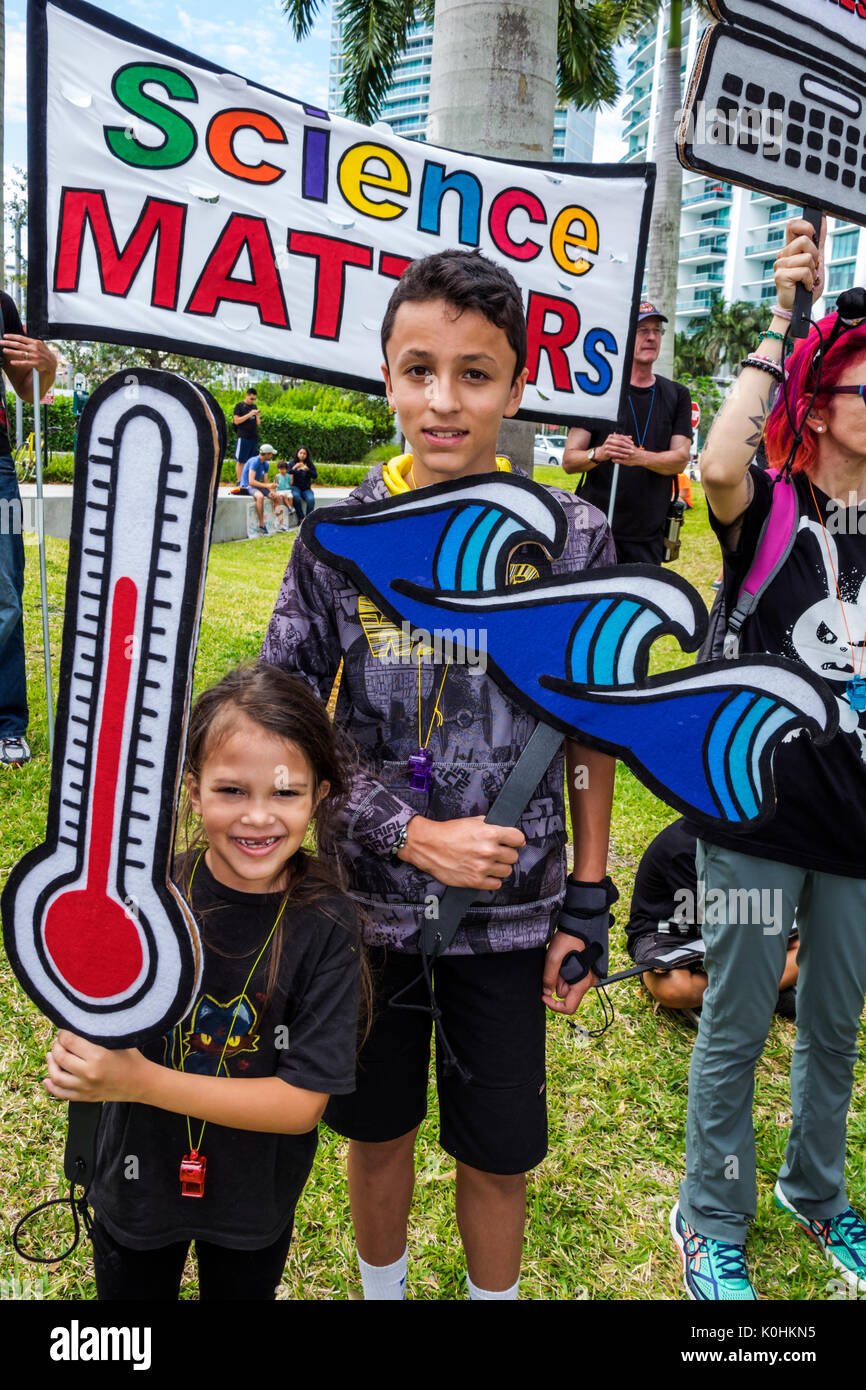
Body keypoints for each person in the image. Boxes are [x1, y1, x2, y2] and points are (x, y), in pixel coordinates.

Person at [262, 249, 617, 1301]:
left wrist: (588, 895)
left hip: (513, 919)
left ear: (516, 385)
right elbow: (287, 726)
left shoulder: (573, 537)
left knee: (497, 1152)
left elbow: (591, 728)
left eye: (474, 373)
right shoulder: (337, 536)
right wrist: (407, 833)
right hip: (364, 915)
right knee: (375, 1130)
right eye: (417, 369)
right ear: (384, 375)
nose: (442, 399)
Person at [669, 219, 866, 1300]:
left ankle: (816, 1193)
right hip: (750, 826)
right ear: (825, 397)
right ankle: (708, 1220)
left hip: (854, 836)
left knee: (831, 1028)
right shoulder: (773, 507)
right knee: (738, 1025)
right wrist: (786, 321)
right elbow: (715, 459)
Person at [42, 664, 362, 1301]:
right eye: (231, 791)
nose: (258, 818)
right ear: (191, 791)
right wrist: (78, 1050)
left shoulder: (330, 925)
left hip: (251, 1200)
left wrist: (139, 1080)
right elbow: (90, 1008)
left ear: (319, 795)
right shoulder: (143, 898)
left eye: (285, 793)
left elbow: (302, 1105)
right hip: (136, 1184)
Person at [626, 818, 797, 1028]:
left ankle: (737, 994)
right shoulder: (685, 848)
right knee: (673, 988)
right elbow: (732, 929)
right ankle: (767, 990)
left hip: (738, 923)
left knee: (810, 946)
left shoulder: (763, 838)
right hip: (669, 934)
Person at [562, 302, 692, 564]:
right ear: (625, 336)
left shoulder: (677, 395)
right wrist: (600, 453)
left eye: (657, 330)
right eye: (643, 330)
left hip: (647, 538)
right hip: (594, 530)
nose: (651, 337)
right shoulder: (600, 390)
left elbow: (680, 458)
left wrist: (638, 457)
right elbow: (569, 461)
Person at [0, 299, 58, 767]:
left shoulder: (0, 304)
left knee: (5, 597)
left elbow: (26, 385)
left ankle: (7, 725)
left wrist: (48, 364)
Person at [240, 444, 276, 534]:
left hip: (256, 485)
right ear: (267, 454)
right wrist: (267, 486)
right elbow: (251, 481)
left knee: (275, 495)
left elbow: (265, 482)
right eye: (271, 454)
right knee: (260, 497)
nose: (272, 456)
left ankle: (279, 522)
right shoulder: (255, 462)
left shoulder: (266, 464)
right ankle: (261, 525)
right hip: (247, 486)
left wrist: (270, 490)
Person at [233, 387, 261, 481]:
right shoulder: (239, 406)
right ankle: (239, 481)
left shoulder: (254, 406)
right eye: (251, 398)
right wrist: (250, 414)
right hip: (243, 436)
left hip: (253, 437)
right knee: (240, 461)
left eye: (254, 399)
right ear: (247, 395)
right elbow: (236, 421)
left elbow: (258, 424)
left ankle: (249, 481)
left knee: (252, 461)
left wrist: (257, 415)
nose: (253, 401)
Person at [289, 445, 318, 524]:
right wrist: (294, 468)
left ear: (307, 455)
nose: (302, 455)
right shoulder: (292, 463)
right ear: (297, 454)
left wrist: (307, 469)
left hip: (306, 488)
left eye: (304, 453)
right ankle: (301, 518)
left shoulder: (309, 464)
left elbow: (315, 475)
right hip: (295, 487)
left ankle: (308, 520)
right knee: (296, 497)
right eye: (300, 453)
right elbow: (287, 473)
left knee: (311, 500)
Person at [269, 459, 293, 528]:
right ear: (278, 469)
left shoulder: (288, 476)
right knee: (284, 496)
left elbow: (290, 483)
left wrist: (291, 477)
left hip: (287, 490)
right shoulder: (277, 476)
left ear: (286, 469)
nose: (282, 470)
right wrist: (274, 489)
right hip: (280, 491)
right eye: (280, 469)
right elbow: (275, 483)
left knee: (291, 497)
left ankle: (289, 509)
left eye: (284, 469)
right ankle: (290, 507)